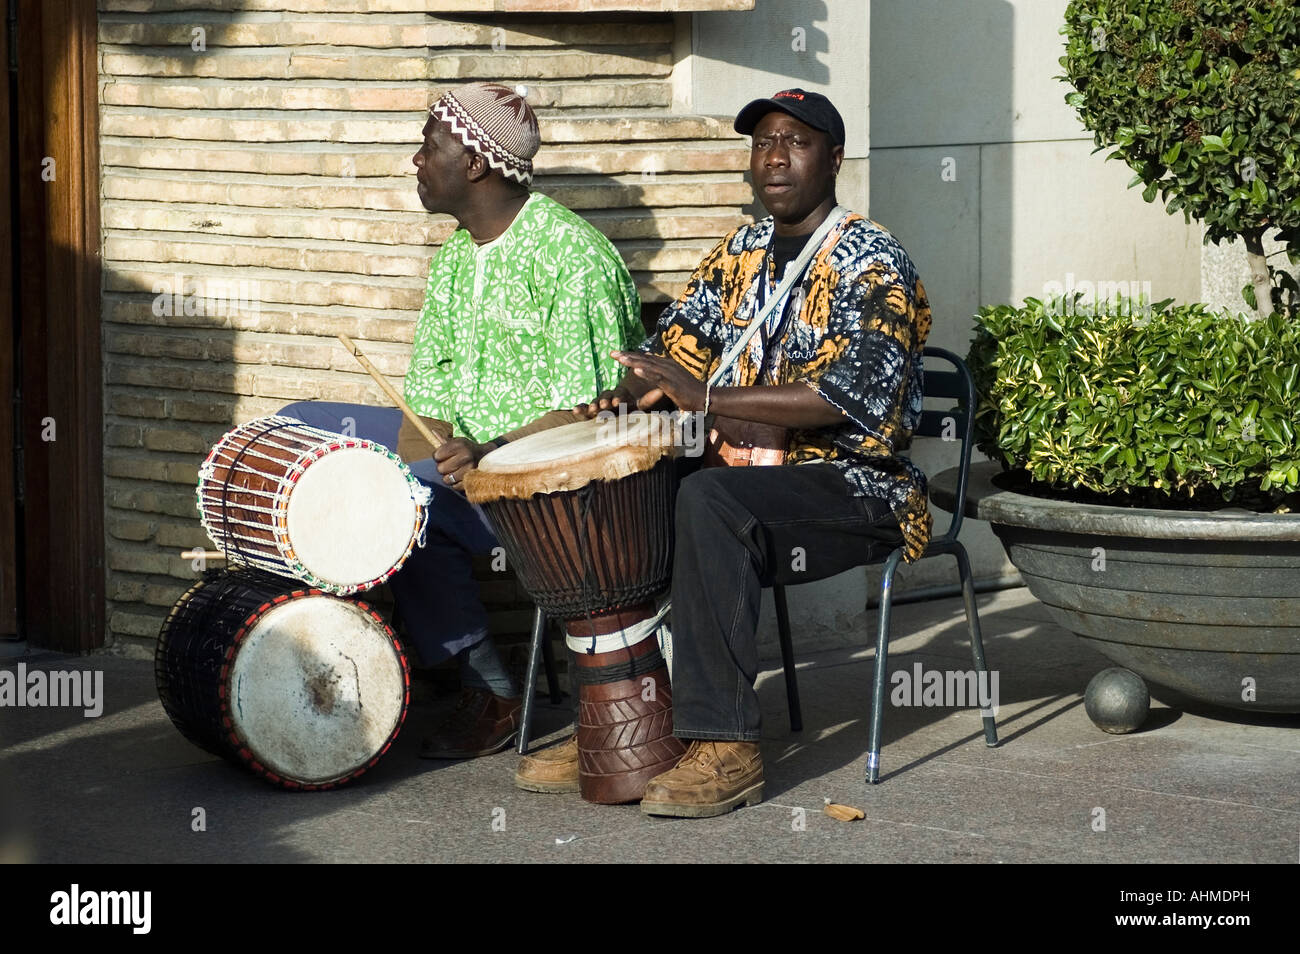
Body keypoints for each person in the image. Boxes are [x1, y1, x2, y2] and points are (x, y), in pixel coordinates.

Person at [518, 88, 934, 815]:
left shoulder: (873, 261)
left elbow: (848, 400)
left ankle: (725, 744)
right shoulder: (738, 253)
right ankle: (626, 721)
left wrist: (705, 398)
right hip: (744, 471)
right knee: (627, 479)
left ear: (835, 159)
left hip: (853, 486)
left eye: (797, 142)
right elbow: (672, 351)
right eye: (764, 140)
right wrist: (624, 400)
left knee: (709, 498)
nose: (775, 156)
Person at [280, 83, 643, 761]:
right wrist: (424, 453)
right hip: (466, 464)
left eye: (428, 145)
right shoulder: (452, 259)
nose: (415, 160)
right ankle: (305, 641)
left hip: (543, 488)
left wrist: (483, 451)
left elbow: (591, 425)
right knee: (303, 429)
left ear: (474, 163)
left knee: (399, 497)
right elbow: (431, 414)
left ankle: (492, 689)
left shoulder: (573, 259)